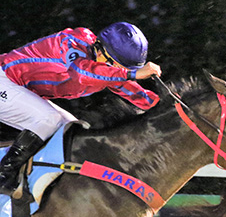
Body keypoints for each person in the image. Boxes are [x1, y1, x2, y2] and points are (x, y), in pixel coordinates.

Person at [0, 21, 162, 195]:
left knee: (72, 130)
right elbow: (81, 72)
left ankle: (38, 181)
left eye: (124, 69)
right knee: (48, 119)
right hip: (4, 79)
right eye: (117, 66)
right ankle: (4, 175)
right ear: (101, 50)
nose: (117, 71)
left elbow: (126, 86)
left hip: (18, 88)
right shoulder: (73, 42)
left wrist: (163, 105)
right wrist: (133, 74)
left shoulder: (103, 64)